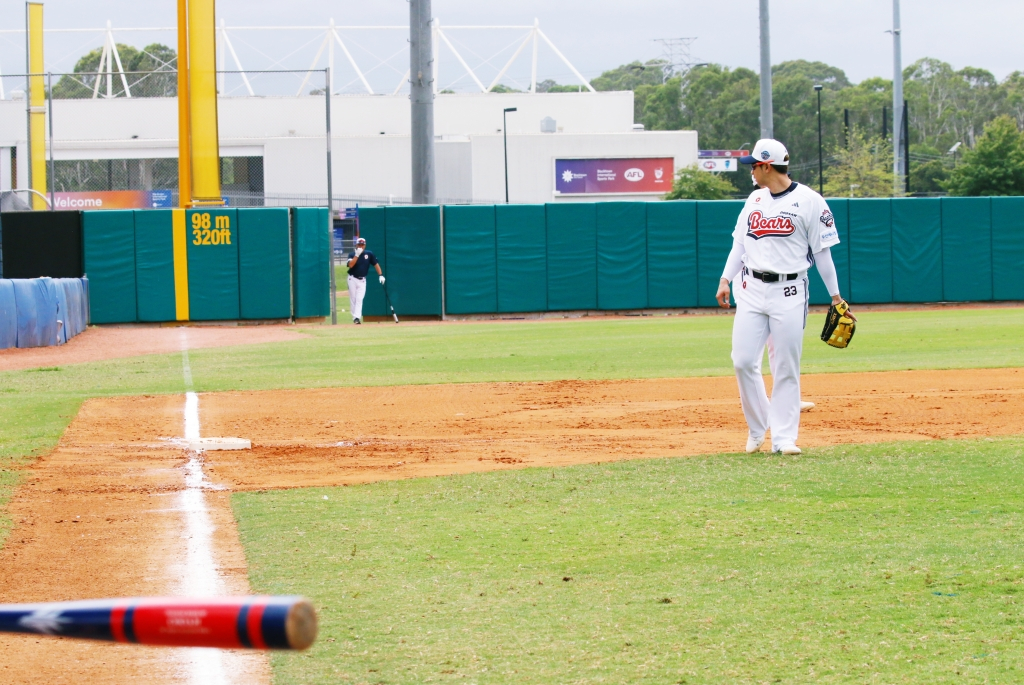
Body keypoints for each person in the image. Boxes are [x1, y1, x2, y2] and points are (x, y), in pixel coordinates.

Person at [716, 138, 848, 454]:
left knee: (787, 366)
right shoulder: (754, 200)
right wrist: (725, 278)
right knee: (743, 361)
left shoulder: (810, 201)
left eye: (753, 166)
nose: (750, 171)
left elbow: (823, 254)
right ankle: (758, 427)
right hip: (750, 289)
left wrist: (836, 296)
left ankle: (784, 438)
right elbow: (740, 244)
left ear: (765, 165)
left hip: (790, 290)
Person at [346, 237, 385, 324]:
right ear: (356, 245)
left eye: (362, 245)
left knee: (360, 299)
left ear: (365, 245)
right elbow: (351, 265)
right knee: (353, 298)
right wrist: (357, 255)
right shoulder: (352, 254)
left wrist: (380, 275)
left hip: (362, 279)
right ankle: (355, 317)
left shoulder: (369, 254)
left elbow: (376, 264)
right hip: (352, 278)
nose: (361, 246)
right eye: (359, 244)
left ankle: (357, 317)